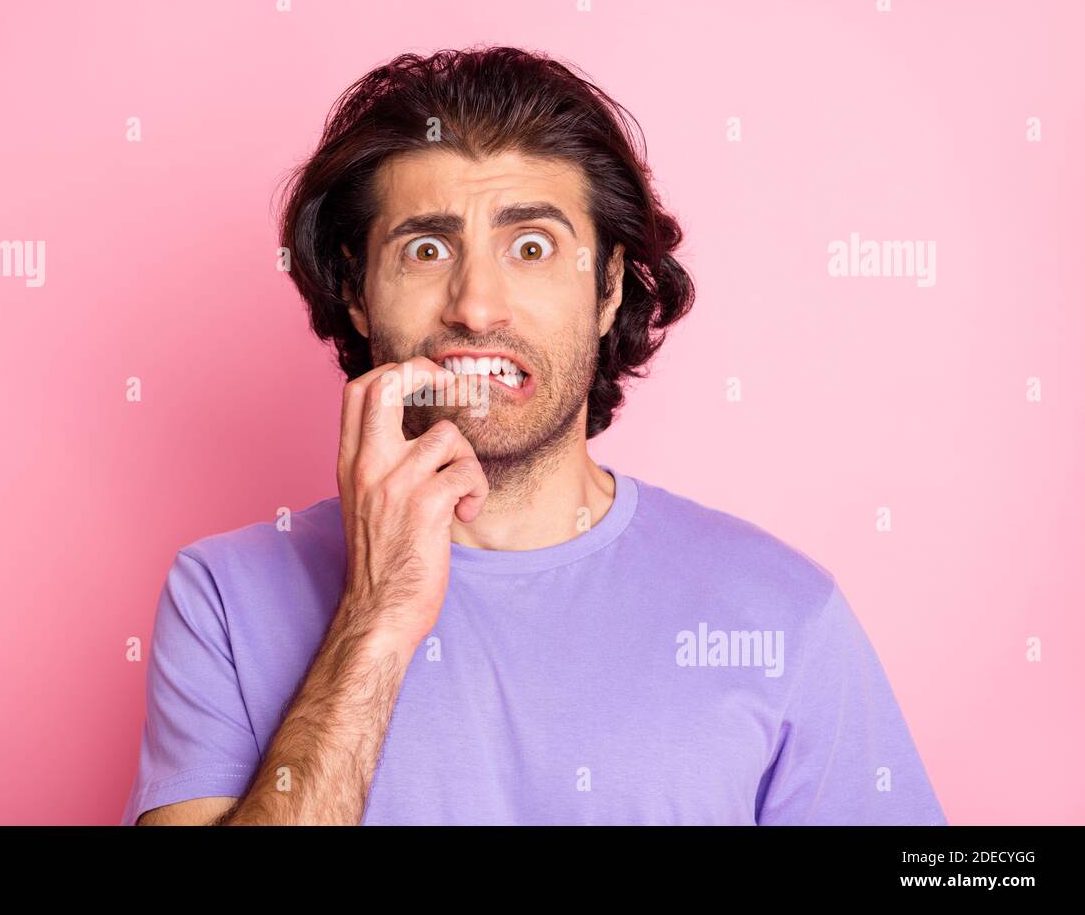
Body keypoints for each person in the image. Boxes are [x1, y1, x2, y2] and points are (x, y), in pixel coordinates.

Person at [121, 46, 946, 826]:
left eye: (531, 247)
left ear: (610, 287)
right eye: (427, 248)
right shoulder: (223, 597)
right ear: (359, 291)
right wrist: (375, 619)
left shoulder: (782, 611)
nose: (477, 305)